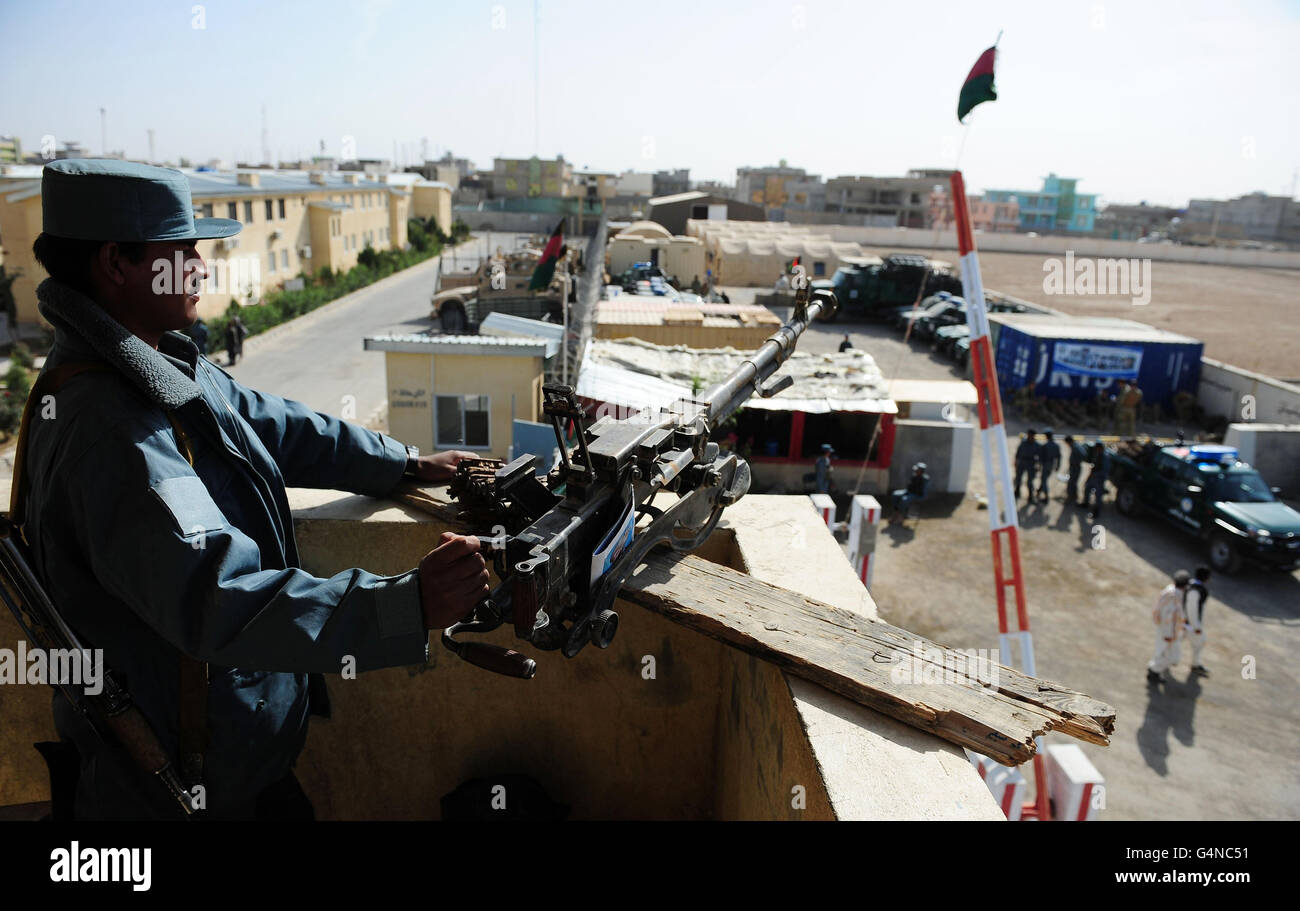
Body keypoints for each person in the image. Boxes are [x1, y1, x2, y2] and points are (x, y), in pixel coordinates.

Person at [19, 160, 487, 820]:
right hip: (180, 794)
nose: (200, 265)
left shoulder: (156, 362)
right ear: (115, 265)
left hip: (234, 770)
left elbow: (273, 424)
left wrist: (403, 463)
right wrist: (406, 605)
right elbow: (218, 596)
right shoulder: (112, 429)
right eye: (180, 249)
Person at [1148, 570, 1189, 685]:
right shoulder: (1173, 596)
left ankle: (1155, 670)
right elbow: (1167, 618)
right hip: (1168, 632)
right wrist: (1168, 635)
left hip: (1168, 630)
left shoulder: (1171, 591)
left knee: (1165, 653)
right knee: (1169, 655)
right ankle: (1153, 670)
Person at [1183, 566, 1212, 676]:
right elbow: (1192, 609)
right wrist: (1196, 627)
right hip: (1187, 624)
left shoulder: (1191, 585)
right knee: (1199, 641)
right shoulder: (1195, 590)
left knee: (1199, 643)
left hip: (1186, 623)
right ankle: (1157, 668)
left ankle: (1196, 664)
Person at [1082, 441, 1110, 521]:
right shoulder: (1098, 455)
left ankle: (1096, 512)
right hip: (1094, 477)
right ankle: (1085, 503)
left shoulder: (1105, 457)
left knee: (1098, 496)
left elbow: (1105, 470)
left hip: (1099, 478)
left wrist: (1098, 477)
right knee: (1087, 489)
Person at [1014, 429, 1039, 501]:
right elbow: (1018, 453)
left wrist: (1038, 465)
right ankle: (1017, 492)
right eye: (1028, 435)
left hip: (1031, 463)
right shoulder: (1023, 443)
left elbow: (1039, 457)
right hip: (1022, 462)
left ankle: (1030, 496)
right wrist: (1016, 462)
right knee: (1018, 478)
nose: (1029, 437)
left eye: (1031, 435)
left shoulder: (1036, 445)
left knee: (1030, 481)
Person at [1037, 428, 1060, 502]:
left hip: (1046, 464)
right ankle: (1039, 491)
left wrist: (1039, 466)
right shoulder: (1056, 445)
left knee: (1044, 480)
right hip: (1052, 464)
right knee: (1044, 479)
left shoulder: (1045, 445)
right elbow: (1058, 457)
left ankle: (1046, 497)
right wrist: (1057, 466)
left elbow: (1041, 457)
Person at [1064, 434, 1088, 505]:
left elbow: (1083, 455)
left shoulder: (1076, 447)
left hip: (1076, 467)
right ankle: (1074, 497)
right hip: (1074, 467)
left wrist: (1076, 461)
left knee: (1072, 483)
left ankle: (1071, 497)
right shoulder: (1075, 445)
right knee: (1073, 482)